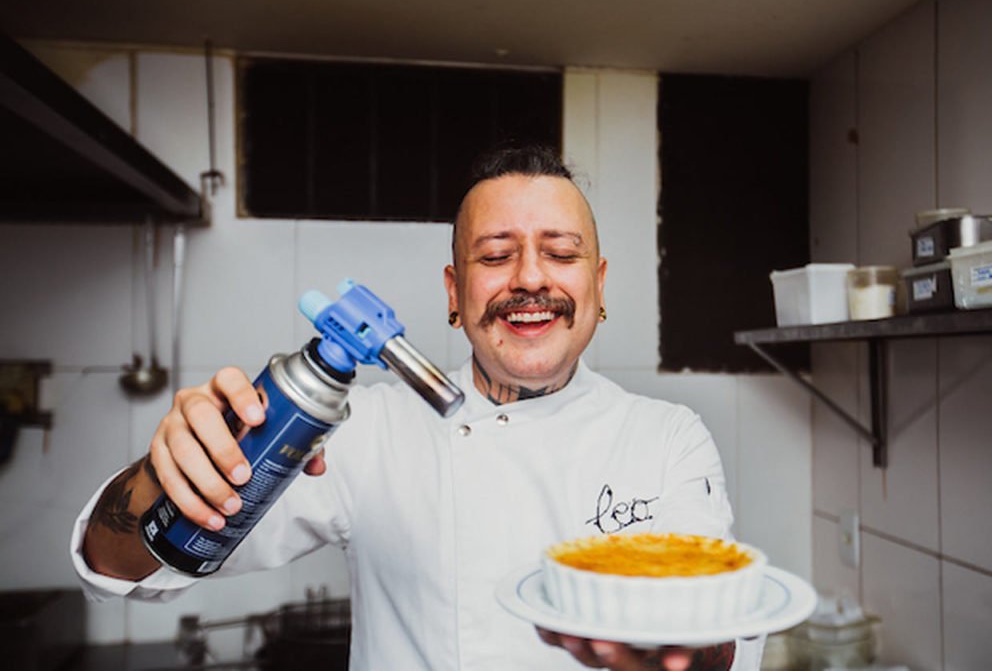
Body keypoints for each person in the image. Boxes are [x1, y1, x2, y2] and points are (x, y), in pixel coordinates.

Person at [72, 145, 762, 670]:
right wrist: (163, 479)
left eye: (560, 252)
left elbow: (720, 633)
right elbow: (119, 567)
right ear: (454, 292)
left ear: (598, 286)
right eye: (496, 256)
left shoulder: (668, 437)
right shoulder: (358, 432)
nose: (529, 277)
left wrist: (681, 653)